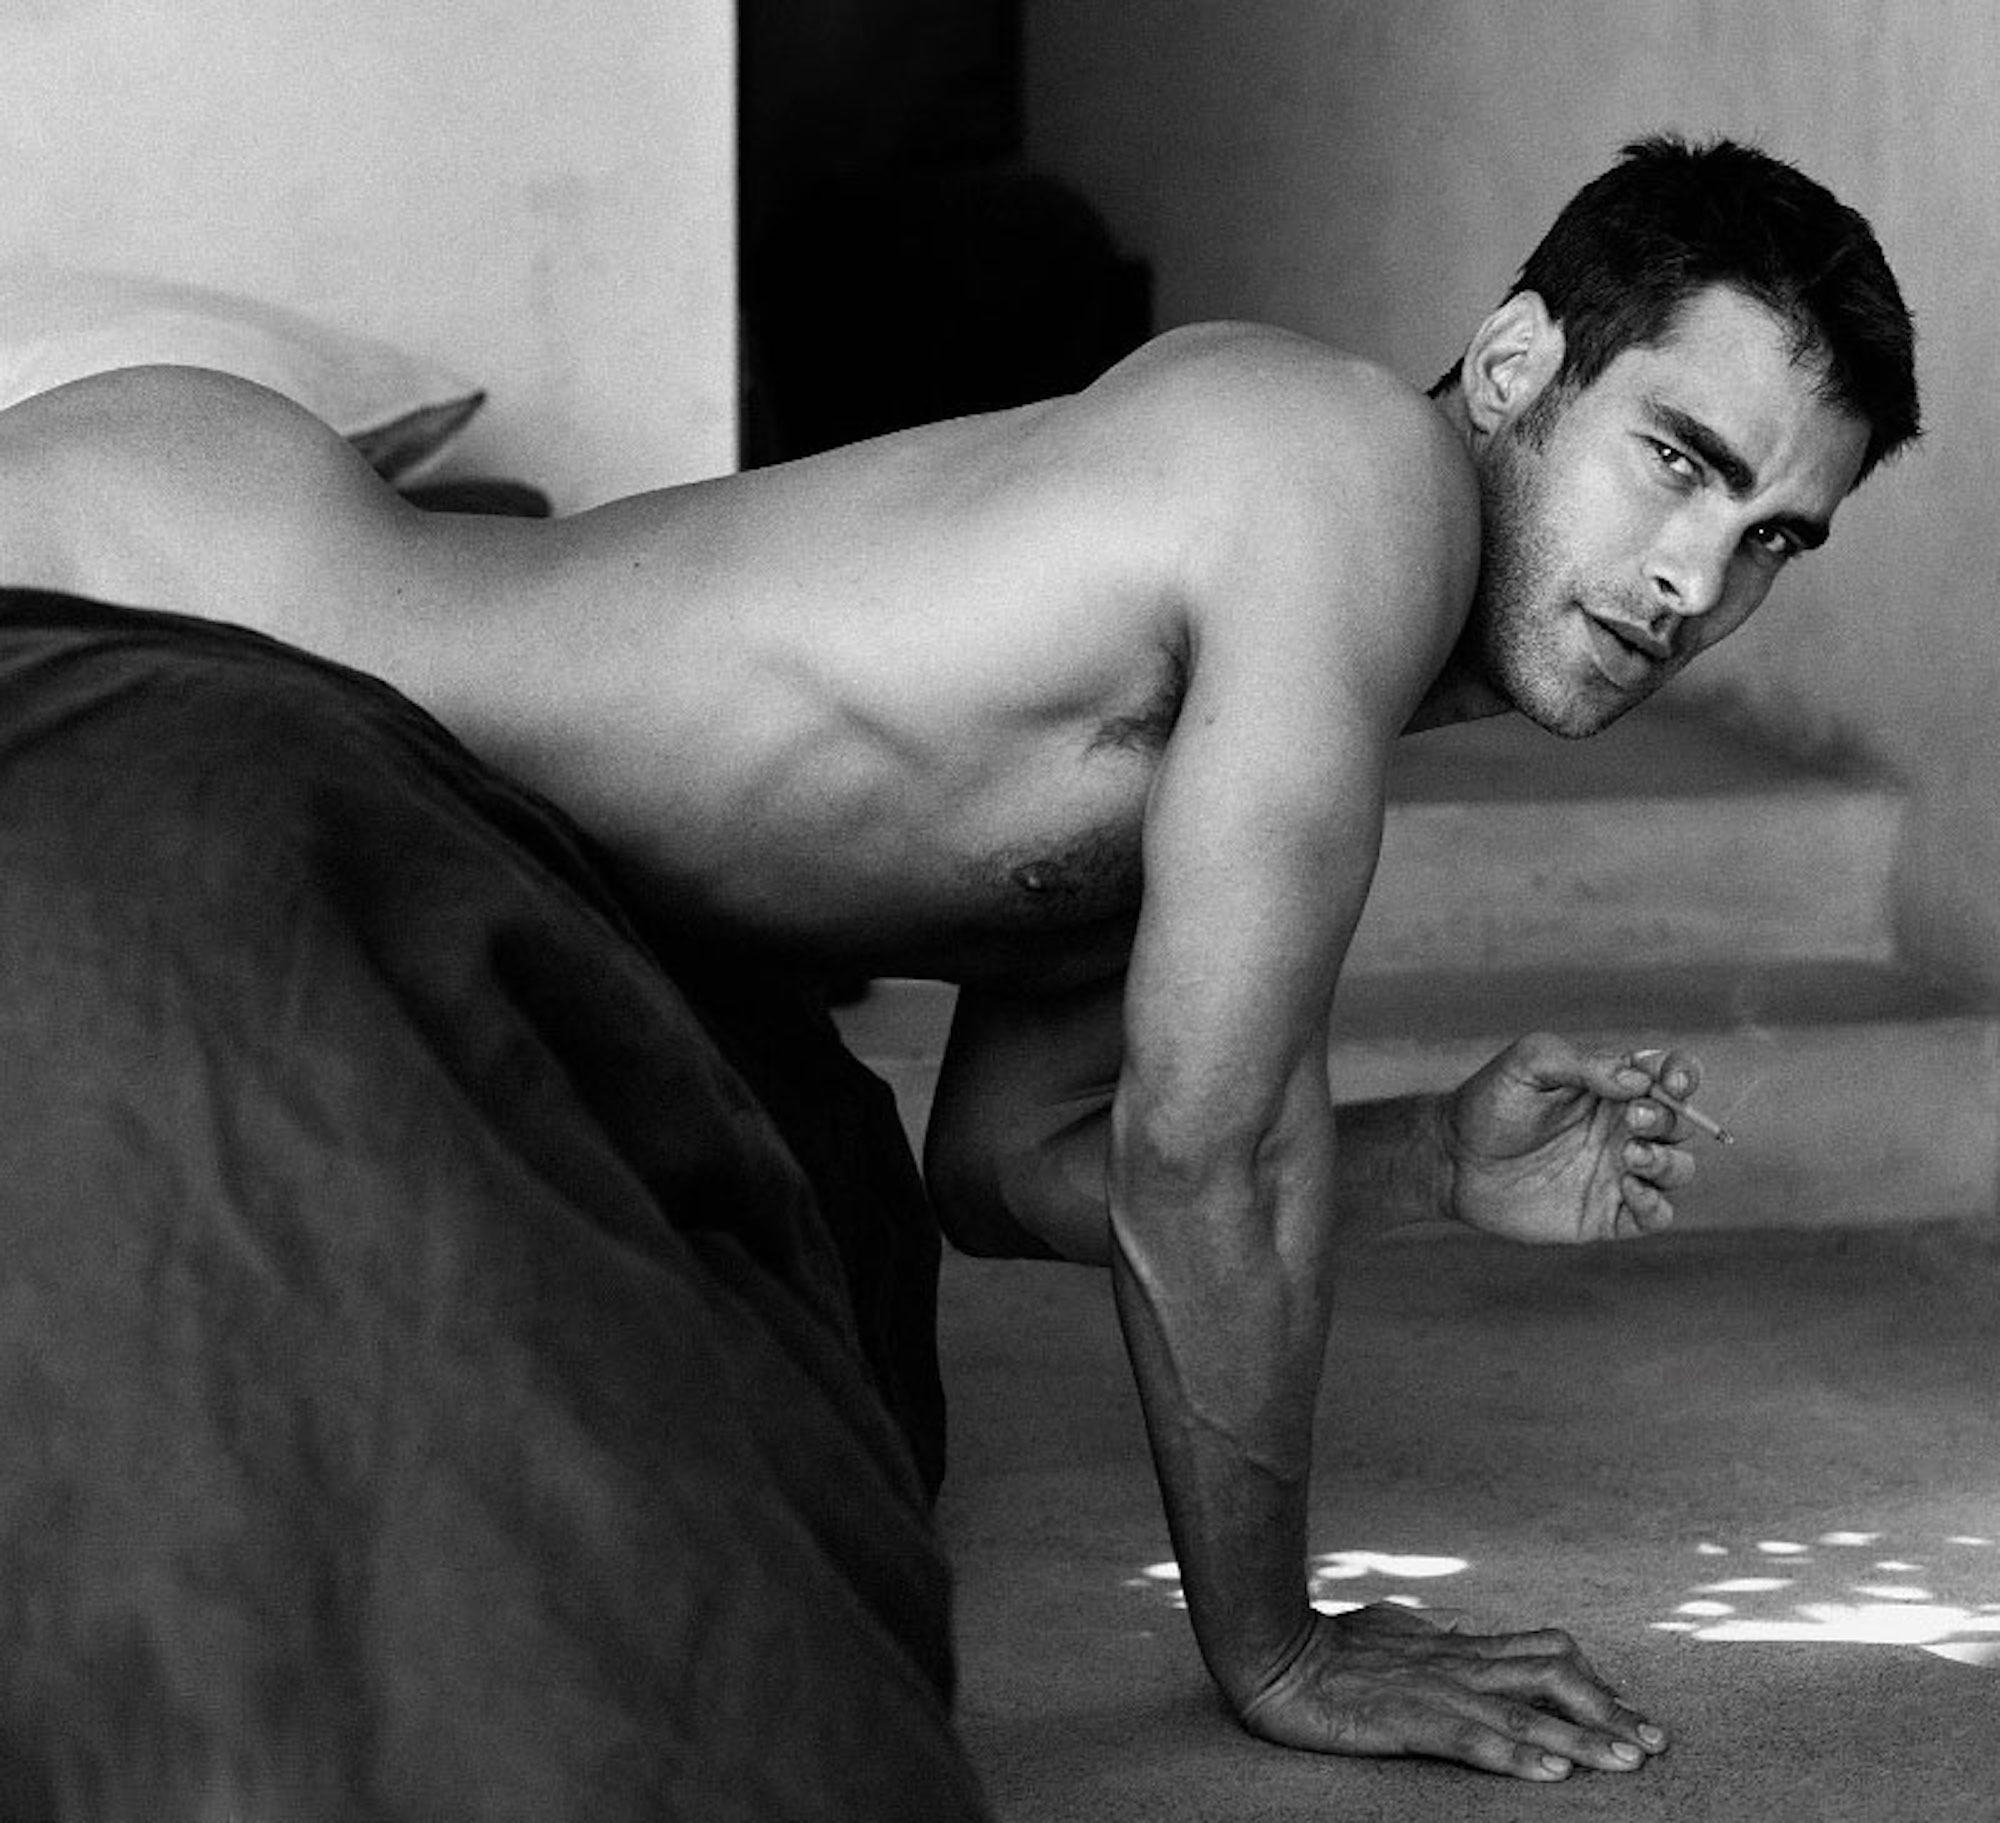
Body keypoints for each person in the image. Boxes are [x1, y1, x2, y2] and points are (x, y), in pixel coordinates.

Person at [0, 133, 1917, 1789]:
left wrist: (1423, 1157)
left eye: (1773, 539)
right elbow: (1209, 1153)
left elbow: (1001, 1167)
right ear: (1512, 366)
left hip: (299, 636)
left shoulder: (1240, 704)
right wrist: (1279, 1651)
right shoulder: (1350, 475)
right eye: (1678, 460)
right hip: (194, 572)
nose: (1697, 581)